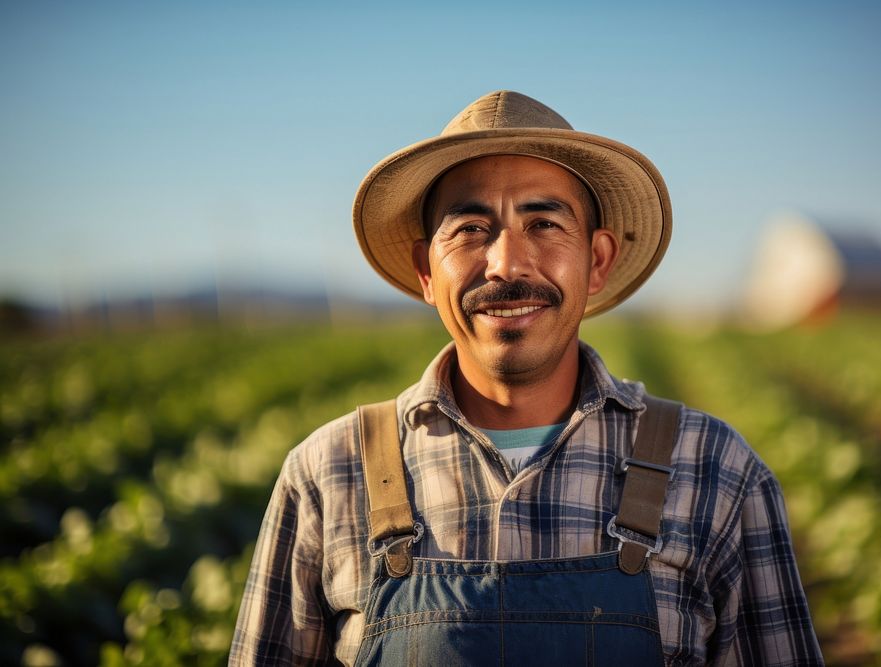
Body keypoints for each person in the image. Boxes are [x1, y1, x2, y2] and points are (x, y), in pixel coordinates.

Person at [229, 90, 823, 666]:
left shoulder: (718, 471)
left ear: (597, 261)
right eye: (469, 229)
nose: (507, 264)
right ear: (425, 272)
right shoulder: (327, 475)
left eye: (543, 224)